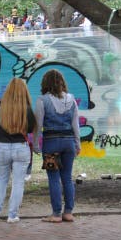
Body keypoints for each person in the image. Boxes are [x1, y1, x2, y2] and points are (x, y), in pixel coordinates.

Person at [33, 69, 81, 223]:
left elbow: (38, 125)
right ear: (62, 82)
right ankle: (68, 212)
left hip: (51, 143)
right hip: (69, 143)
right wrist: (78, 144)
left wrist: (35, 144)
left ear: (45, 83)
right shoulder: (72, 100)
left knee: (53, 178)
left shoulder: (42, 100)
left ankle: (56, 214)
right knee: (67, 177)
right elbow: (75, 125)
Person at [0, 78, 36, 223]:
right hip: (20, 147)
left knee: (2, 178)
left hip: (2, 146)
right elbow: (30, 129)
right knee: (18, 182)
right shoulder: (27, 108)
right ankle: (12, 215)